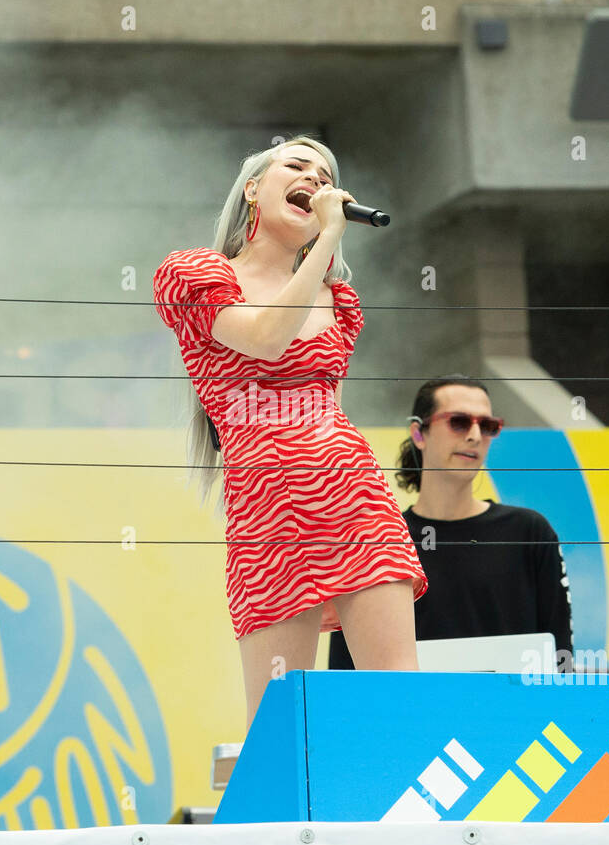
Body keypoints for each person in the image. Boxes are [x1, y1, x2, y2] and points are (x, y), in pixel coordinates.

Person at [153, 137, 426, 729]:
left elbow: (330, 406)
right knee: (280, 720)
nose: (316, 180)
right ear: (253, 188)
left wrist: (321, 255)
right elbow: (263, 338)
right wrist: (325, 241)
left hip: (353, 496)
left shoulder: (340, 302)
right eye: (298, 167)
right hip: (267, 508)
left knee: (398, 695)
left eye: (326, 175)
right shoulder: (195, 274)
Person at [328, 376, 572, 671]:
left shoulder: (529, 533)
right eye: (459, 421)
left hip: (515, 714)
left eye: (487, 426)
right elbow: (344, 675)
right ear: (418, 434)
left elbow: (561, 658)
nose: (474, 435)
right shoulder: (379, 541)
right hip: (410, 716)